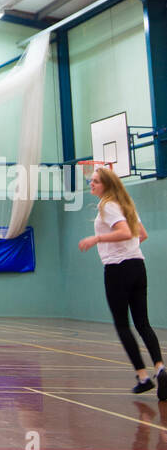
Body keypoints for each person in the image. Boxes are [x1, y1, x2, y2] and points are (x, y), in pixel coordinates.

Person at [78, 165, 166, 400]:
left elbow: (126, 232)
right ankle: (160, 368)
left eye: (95, 181)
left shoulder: (108, 206)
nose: (91, 184)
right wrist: (128, 250)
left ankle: (142, 377)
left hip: (118, 269)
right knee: (143, 323)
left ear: (106, 184)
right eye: (91, 181)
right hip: (138, 266)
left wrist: (97, 238)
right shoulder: (127, 205)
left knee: (122, 325)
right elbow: (141, 235)